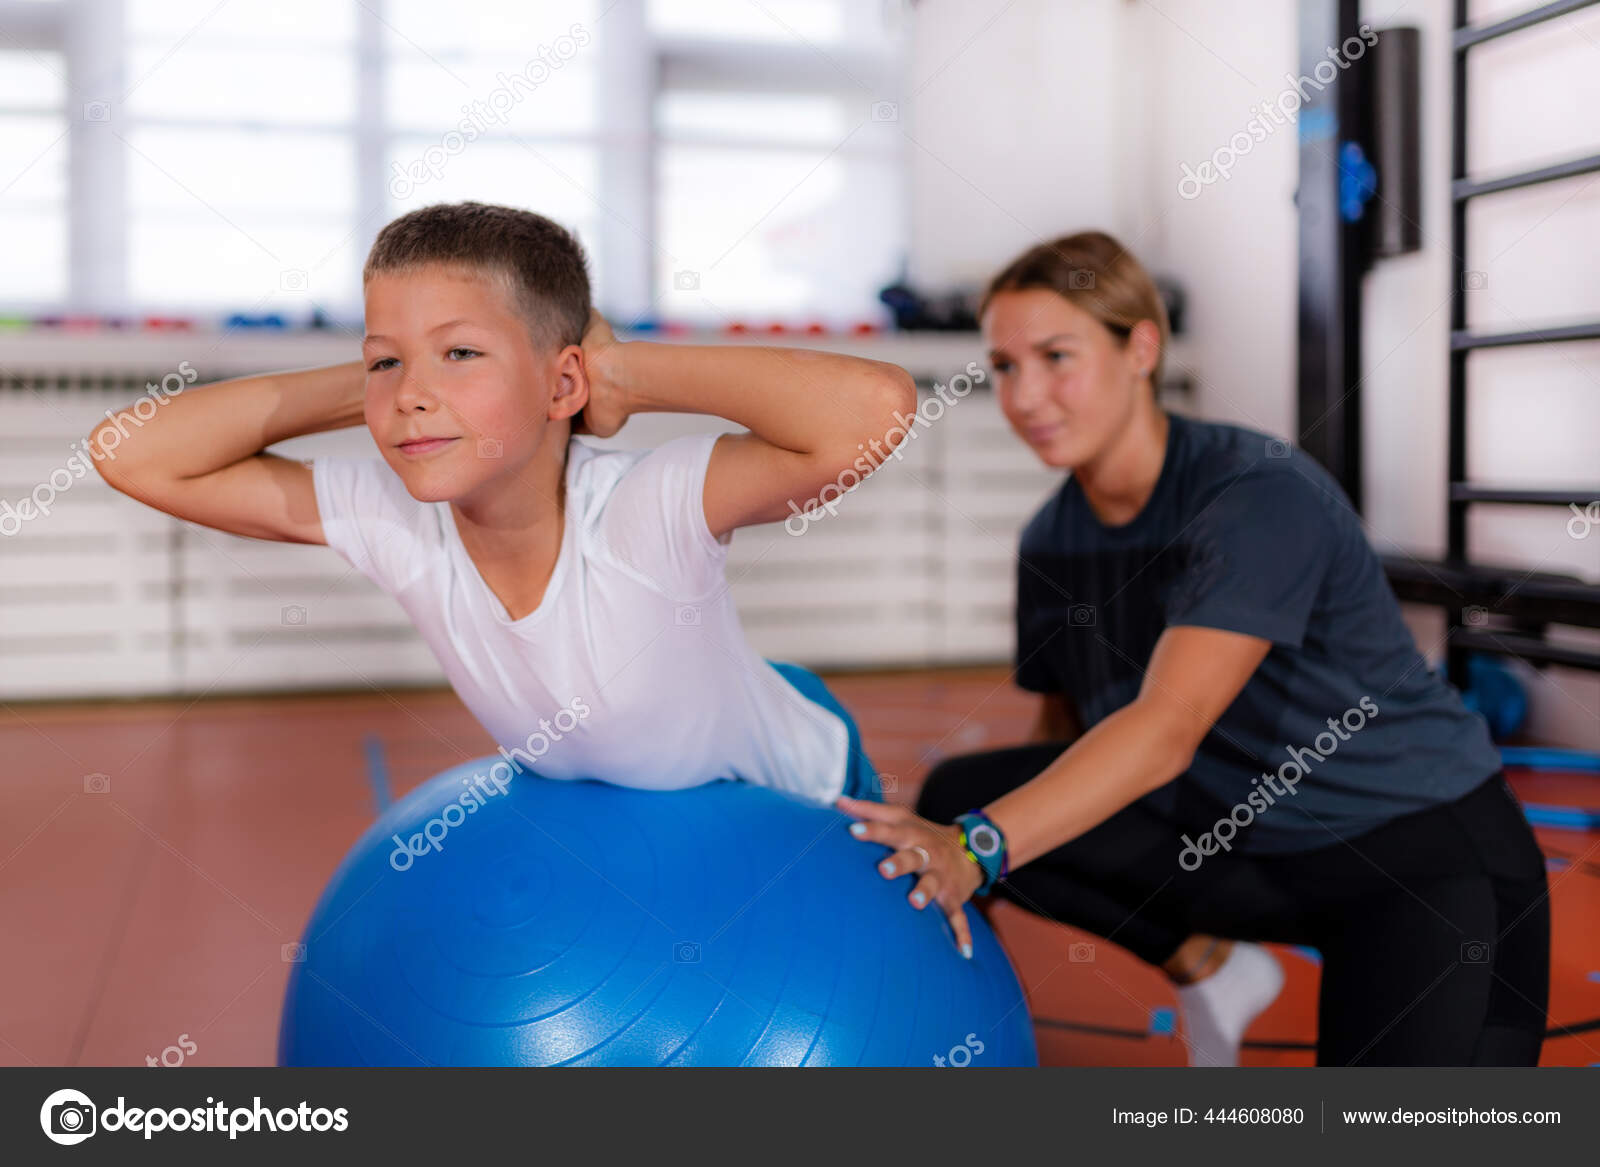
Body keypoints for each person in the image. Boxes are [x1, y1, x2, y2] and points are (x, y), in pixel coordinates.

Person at [835, 230, 1550, 1065]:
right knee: (968, 790)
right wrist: (974, 887)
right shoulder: (1052, 540)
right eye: (1003, 366)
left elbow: (1165, 729)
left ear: (1141, 348)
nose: (1025, 396)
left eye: (1056, 357)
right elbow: (1063, 738)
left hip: (1419, 857)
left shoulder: (1255, 495)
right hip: (1247, 852)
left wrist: (975, 850)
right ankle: (1214, 968)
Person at [91, 201, 909, 816]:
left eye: (460, 352)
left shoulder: (640, 514)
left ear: (564, 381)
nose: (412, 395)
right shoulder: (397, 519)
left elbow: (874, 409)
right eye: (384, 363)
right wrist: (397, 373)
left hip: (809, 790)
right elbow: (127, 451)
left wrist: (621, 375)